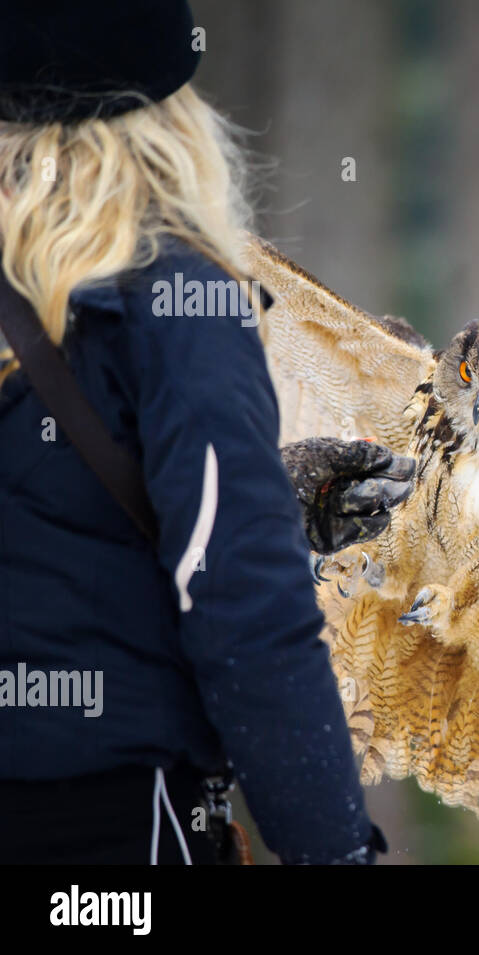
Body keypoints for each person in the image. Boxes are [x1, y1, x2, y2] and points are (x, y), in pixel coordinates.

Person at [0, 0, 401, 864]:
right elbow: (246, 620)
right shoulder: (175, 301)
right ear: (174, 120)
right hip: (110, 833)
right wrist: (337, 853)